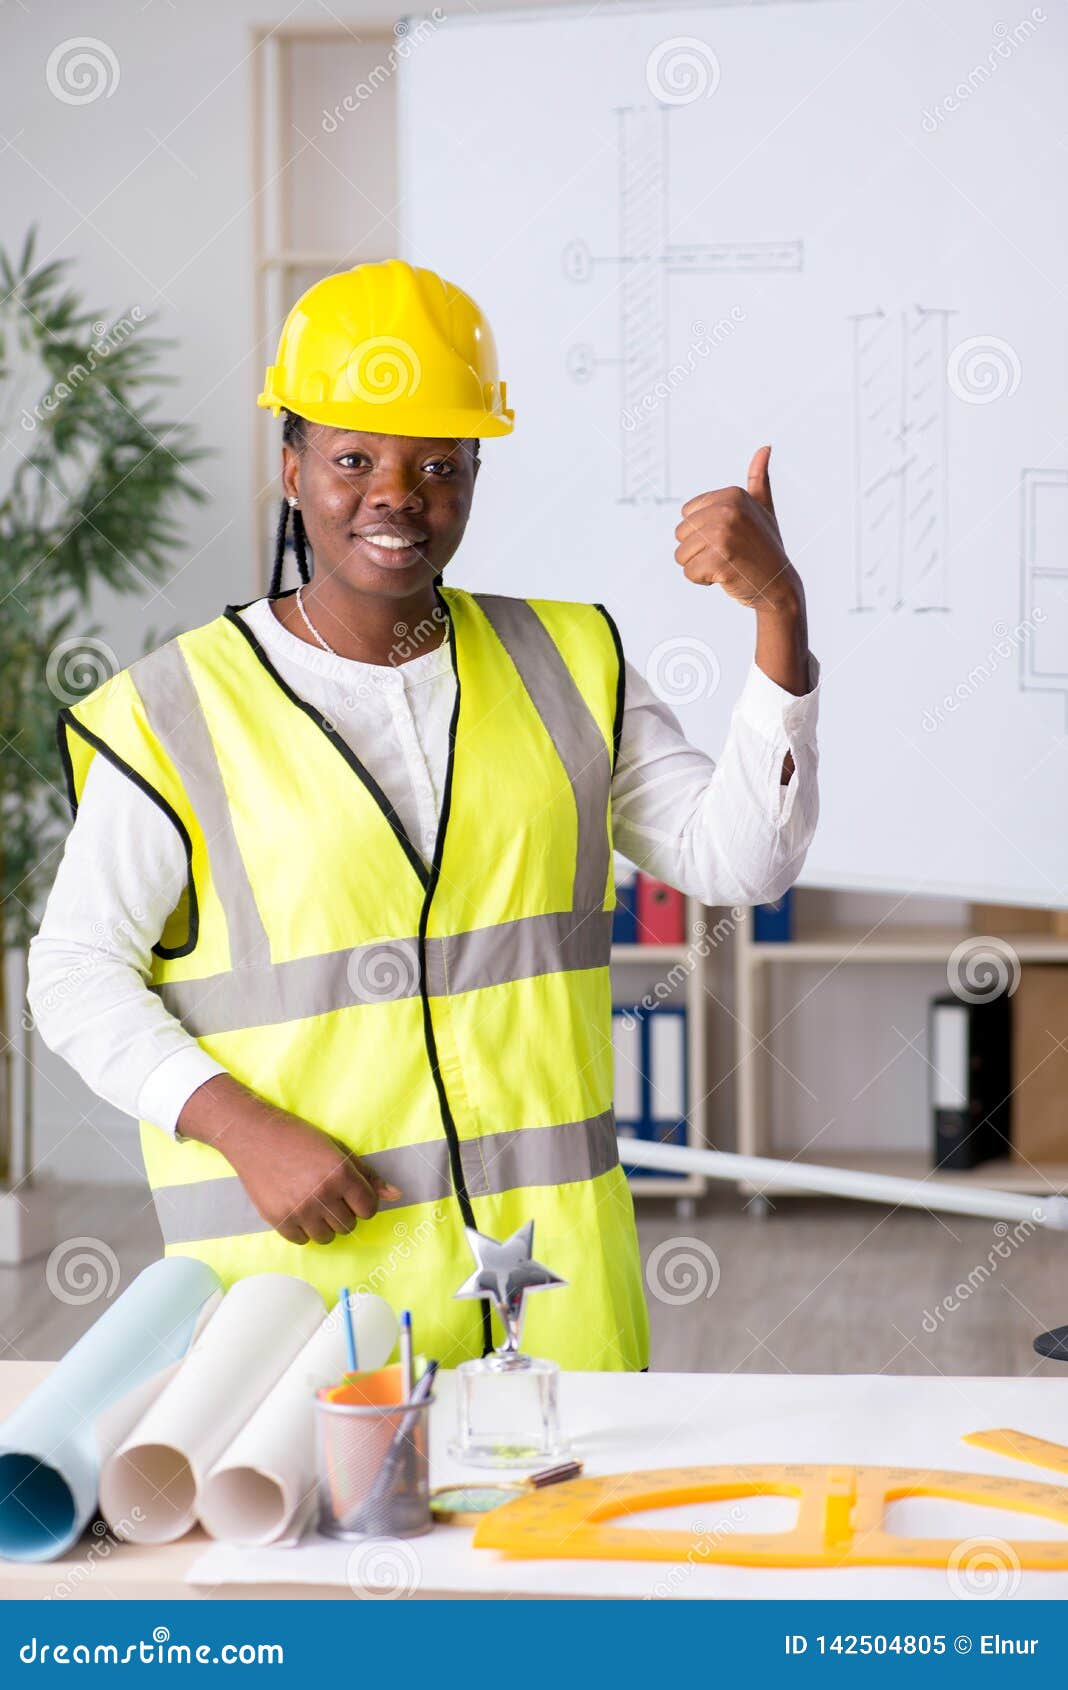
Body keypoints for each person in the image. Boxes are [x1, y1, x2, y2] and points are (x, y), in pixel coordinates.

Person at [28, 259, 819, 1372]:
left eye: (438, 465)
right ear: (293, 468)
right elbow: (72, 972)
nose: (398, 495)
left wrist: (778, 614)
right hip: (303, 1307)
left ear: (475, 477)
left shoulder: (568, 664)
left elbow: (743, 859)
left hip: (553, 1307)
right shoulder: (172, 713)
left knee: (568, 1545)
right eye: (355, 459)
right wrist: (239, 1128)